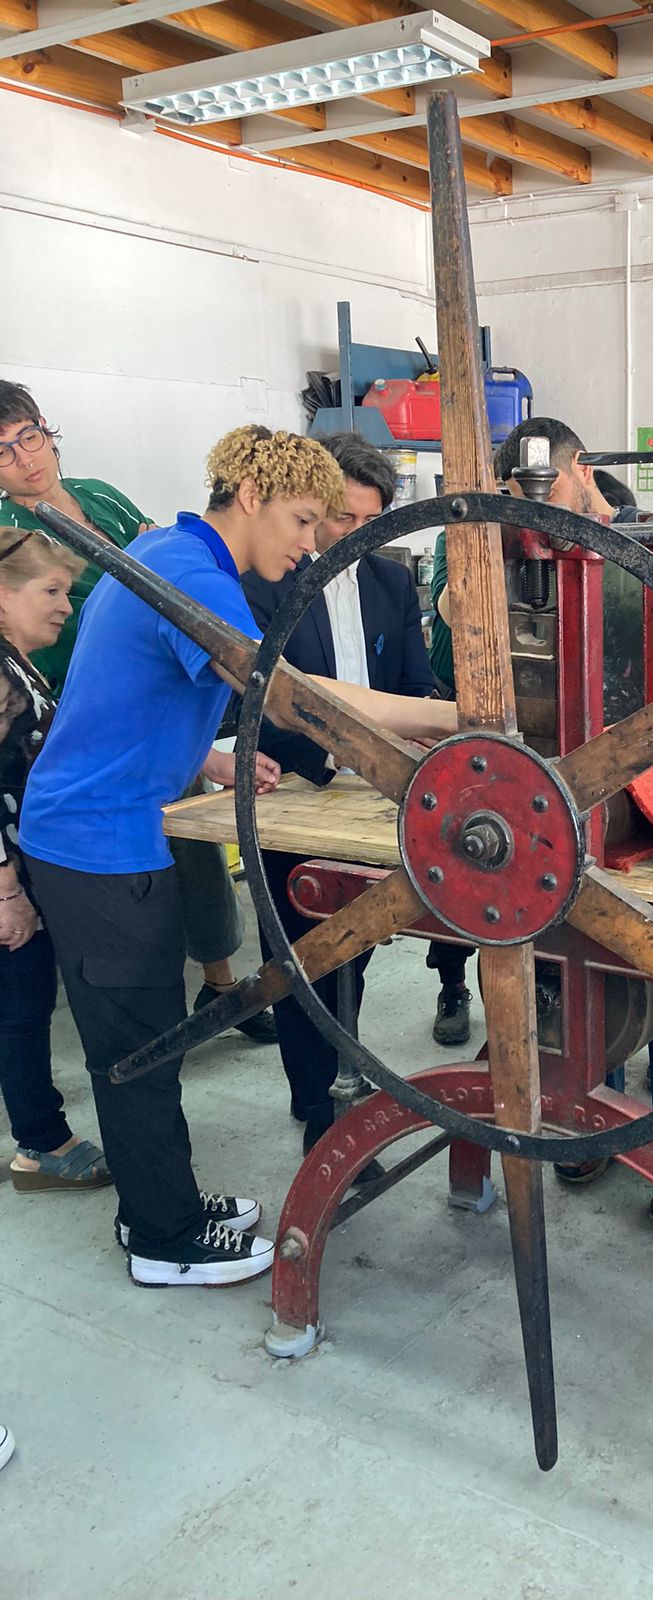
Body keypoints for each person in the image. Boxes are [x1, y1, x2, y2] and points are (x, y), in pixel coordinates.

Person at [18, 426, 457, 1288]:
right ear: (251, 492)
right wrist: (448, 719)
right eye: (301, 519)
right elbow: (288, 699)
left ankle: (160, 1200)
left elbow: (142, 700)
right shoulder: (189, 571)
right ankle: (163, 1238)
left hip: (124, 827)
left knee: (147, 1036)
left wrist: (210, 758)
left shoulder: (174, 552)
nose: (307, 544)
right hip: (96, 842)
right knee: (137, 1046)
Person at [435, 416, 653, 1227]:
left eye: (549, 486)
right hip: (545, 803)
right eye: (520, 496)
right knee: (549, 977)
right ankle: (579, 1129)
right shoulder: (505, 561)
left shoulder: (647, 549)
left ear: (582, 470)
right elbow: (459, 658)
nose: (539, 508)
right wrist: (469, 587)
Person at [0, 380, 275, 1046]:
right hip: (78, 719)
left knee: (196, 852)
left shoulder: (98, 496)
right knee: (119, 862)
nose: (23, 460)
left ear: (47, 429)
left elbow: (164, 572)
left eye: (28, 438)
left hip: (169, 693)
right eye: (1, 453)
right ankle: (132, 1003)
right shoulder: (11, 537)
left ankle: (218, 983)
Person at [242, 432, 443, 1156]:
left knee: (356, 951)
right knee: (304, 956)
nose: (352, 536)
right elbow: (261, 707)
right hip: (296, 794)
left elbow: (417, 683)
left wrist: (415, 738)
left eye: (370, 523)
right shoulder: (263, 584)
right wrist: (332, 752)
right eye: (340, 520)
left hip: (379, 800)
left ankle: (345, 1077)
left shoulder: (390, 582)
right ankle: (320, 1114)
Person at [0, 528, 109, 1193]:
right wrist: (7, 890)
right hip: (8, 872)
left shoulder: (18, 665)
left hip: (23, 864)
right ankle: (40, 1143)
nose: (65, 607)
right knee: (22, 1002)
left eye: (67, 592)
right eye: (51, 591)